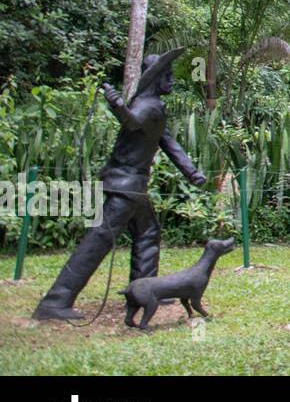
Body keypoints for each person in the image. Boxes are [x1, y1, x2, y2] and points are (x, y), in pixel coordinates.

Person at [33, 50, 206, 321]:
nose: (172, 81)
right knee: (99, 240)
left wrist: (192, 172)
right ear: (156, 79)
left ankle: (148, 289)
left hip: (133, 187)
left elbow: (168, 142)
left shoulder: (154, 107)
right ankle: (56, 300)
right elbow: (132, 121)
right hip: (126, 186)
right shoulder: (146, 106)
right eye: (168, 76)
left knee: (148, 233)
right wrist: (118, 107)